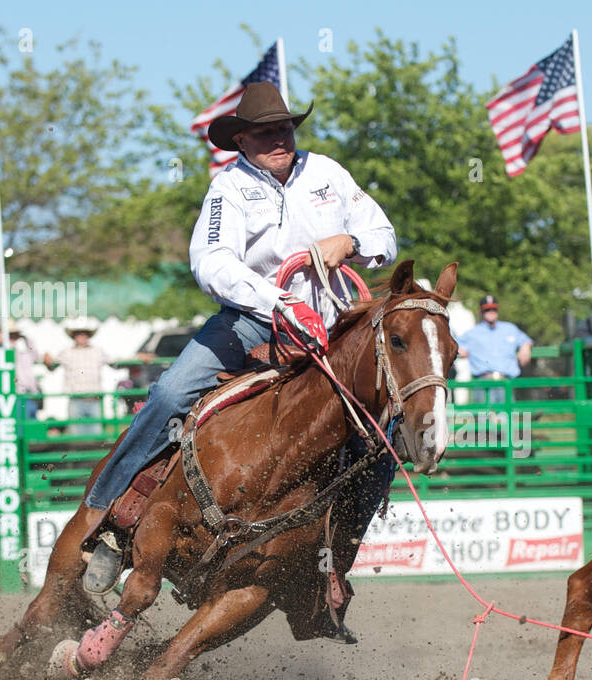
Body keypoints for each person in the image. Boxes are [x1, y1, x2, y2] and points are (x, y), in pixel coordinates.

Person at [79, 82, 397, 641]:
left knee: (380, 443)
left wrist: (348, 241)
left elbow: (384, 236)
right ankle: (108, 518)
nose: (280, 138)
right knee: (172, 393)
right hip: (253, 320)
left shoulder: (327, 174)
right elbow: (212, 262)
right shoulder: (228, 188)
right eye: (267, 131)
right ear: (243, 140)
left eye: (286, 128)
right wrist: (276, 301)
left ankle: (331, 573)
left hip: (335, 327)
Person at [456, 294, 531, 404]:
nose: (491, 312)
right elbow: (452, 344)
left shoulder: (509, 328)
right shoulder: (472, 333)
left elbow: (525, 339)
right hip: (483, 383)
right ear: (480, 312)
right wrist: (458, 350)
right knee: (485, 419)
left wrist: (526, 346)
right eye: (487, 309)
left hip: (506, 382)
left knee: (507, 419)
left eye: (494, 309)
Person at [44, 319, 110, 435]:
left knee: (96, 434)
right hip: (76, 398)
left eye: (84, 334)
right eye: (78, 334)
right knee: (76, 434)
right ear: (74, 336)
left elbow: (115, 363)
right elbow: (52, 366)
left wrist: (137, 359)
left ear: (88, 336)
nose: (81, 337)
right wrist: (47, 360)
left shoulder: (98, 351)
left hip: (94, 398)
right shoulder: (66, 352)